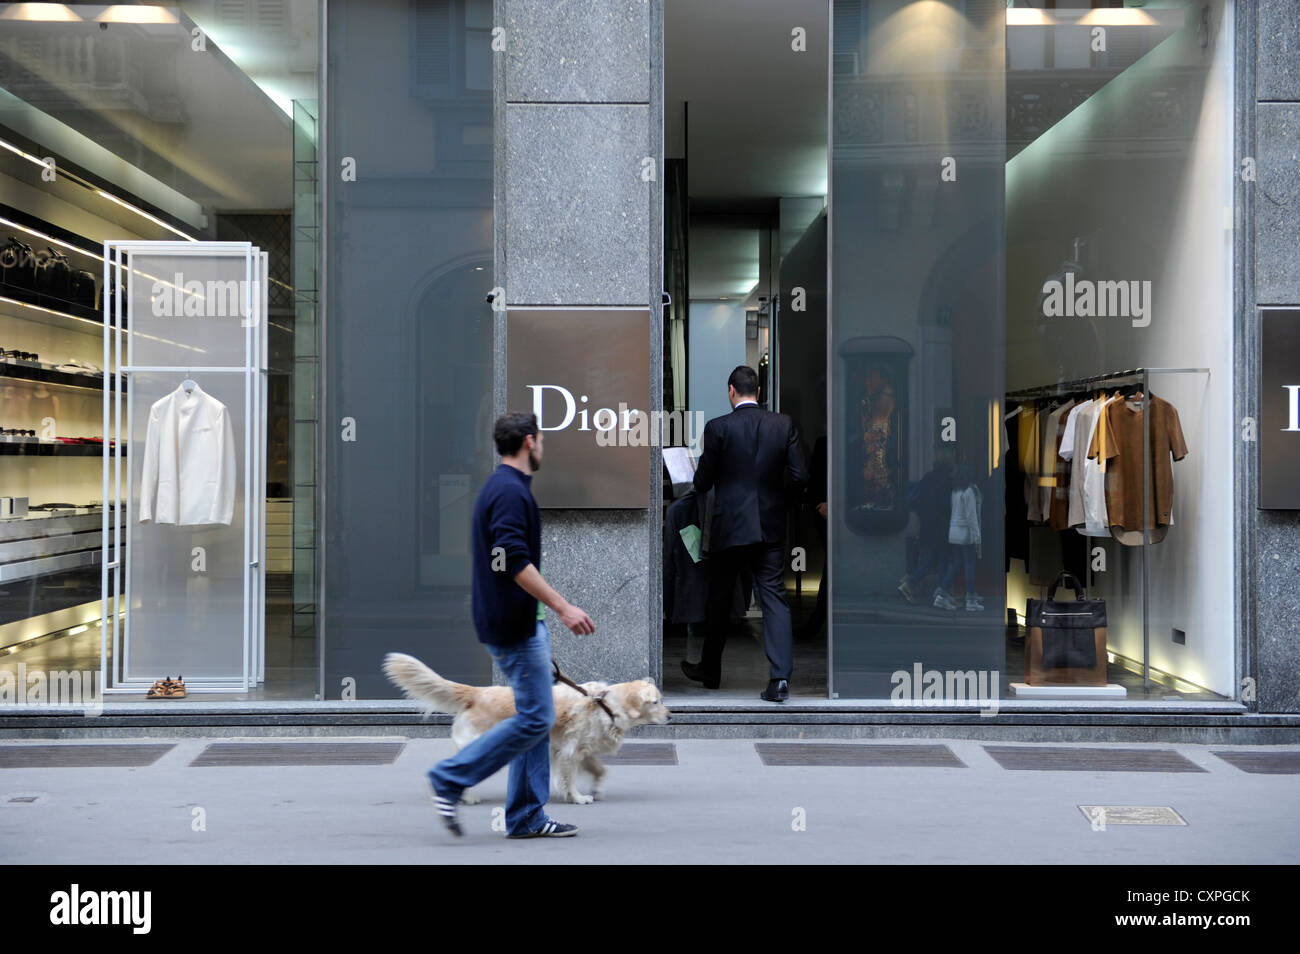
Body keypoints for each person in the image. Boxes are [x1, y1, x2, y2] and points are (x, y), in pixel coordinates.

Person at [427, 412, 595, 839]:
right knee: (537, 719)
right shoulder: (507, 492)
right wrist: (563, 607)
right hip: (514, 626)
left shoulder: (506, 487)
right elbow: (511, 560)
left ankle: (525, 817)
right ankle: (451, 777)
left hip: (518, 622)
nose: (543, 447)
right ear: (528, 441)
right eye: (541, 440)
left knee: (535, 718)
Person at [681, 366, 807, 702]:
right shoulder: (784, 425)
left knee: (720, 598)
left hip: (730, 526)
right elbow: (799, 476)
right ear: (760, 391)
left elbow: (702, 482)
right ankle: (780, 679)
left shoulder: (719, 428)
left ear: (731, 391)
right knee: (774, 598)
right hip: (769, 525)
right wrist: (778, 502)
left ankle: (710, 670)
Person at [898, 452, 959, 610]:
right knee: (942, 561)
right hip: (941, 528)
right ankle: (915, 585)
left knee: (930, 560)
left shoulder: (927, 478)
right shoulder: (947, 482)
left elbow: (920, 503)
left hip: (927, 527)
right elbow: (947, 507)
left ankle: (941, 593)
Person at [947, 463, 984, 612]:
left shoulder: (955, 491)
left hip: (954, 532)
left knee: (956, 563)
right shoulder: (969, 491)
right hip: (965, 534)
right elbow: (971, 516)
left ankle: (942, 592)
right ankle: (970, 599)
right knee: (970, 566)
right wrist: (977, 536)